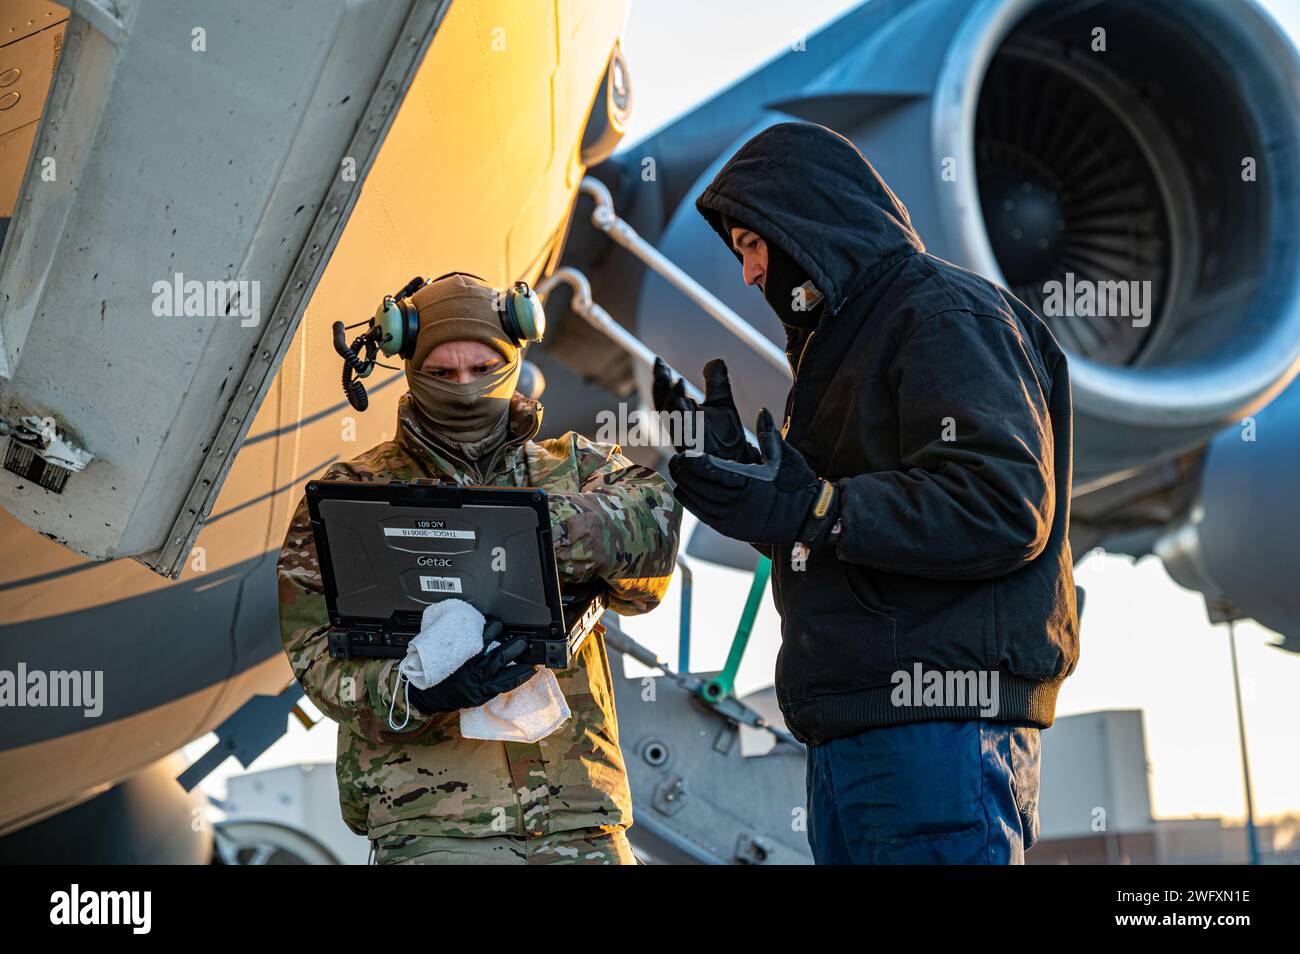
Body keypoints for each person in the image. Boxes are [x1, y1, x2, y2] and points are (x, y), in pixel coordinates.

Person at [657, 121, 1078, 865]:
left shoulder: (942, 314)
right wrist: (753, 491)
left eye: (753, 246)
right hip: (859, 730)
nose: (749, 276)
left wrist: (815, 508)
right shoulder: (846, 343)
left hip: (941, 733)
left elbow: (1003, 504)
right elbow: (844, 528)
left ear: (802, 225)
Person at [278, 272, 681, 865]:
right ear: (410, 367)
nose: (464, 388)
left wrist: (540, 532)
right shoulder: (352, 497)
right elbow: (316, 655)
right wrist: (414, 688)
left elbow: (653, 530)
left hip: (581, 824)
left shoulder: (573, 466)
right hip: (434, 829)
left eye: (480, 368)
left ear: (513, 356)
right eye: (443, 373)